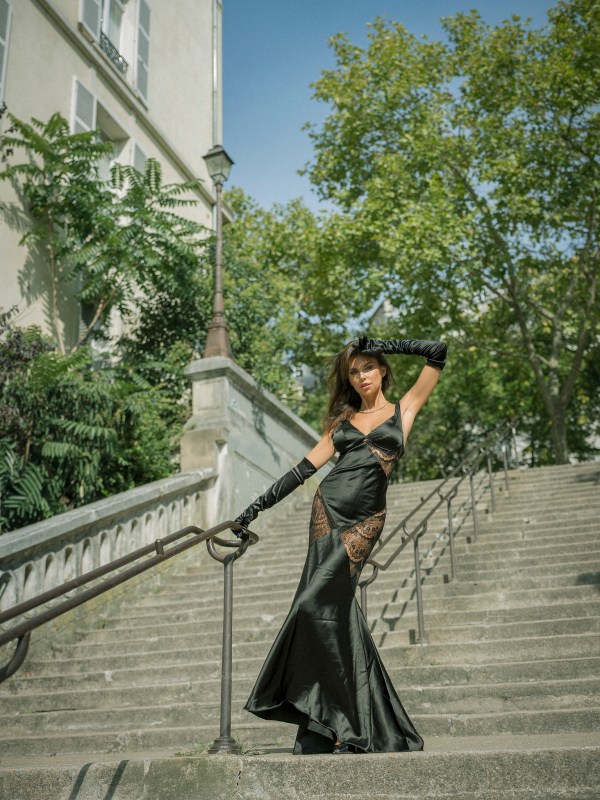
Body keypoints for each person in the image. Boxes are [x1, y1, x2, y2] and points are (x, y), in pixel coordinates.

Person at [233, 336, 447, 754]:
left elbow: (437, 352)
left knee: (312, 606)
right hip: (325, 513)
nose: (361, 376)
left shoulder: (403, 410)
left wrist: (382, 342)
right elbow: (303, 469)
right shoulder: (341, 423)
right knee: (336, 614)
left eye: (368, 366)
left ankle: (333, 720)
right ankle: (333, 724)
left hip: (364, 522)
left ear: (382, 369)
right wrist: (253, 508)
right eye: (353, 371)